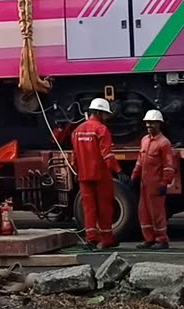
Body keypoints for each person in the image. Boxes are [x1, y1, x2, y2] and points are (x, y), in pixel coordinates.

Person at [71, 97, 121, 250]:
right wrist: (118, 171)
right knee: (105, 207)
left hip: (84, 175)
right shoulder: (101, 129)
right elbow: (107, 155)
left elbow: (74, 156)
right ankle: (107, 239)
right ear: (99, 113)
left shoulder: (77, 131)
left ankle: (91, 239)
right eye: (105, 114)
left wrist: (76, 172)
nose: (107, 117)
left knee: (89, 208)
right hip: (101, 175)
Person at [131, 110, 175, 249]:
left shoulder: (164, 143)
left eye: (152, 123)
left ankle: (162, 240)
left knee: (157, 213)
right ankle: (149, 239)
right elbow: (140, 161)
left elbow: (168, 166)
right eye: (147, 122)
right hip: (144, 184)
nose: (149, 125)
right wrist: (134, 177)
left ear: (159, 124)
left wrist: (164, 183)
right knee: (143, 212)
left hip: (156, 184)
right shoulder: (144, 140)